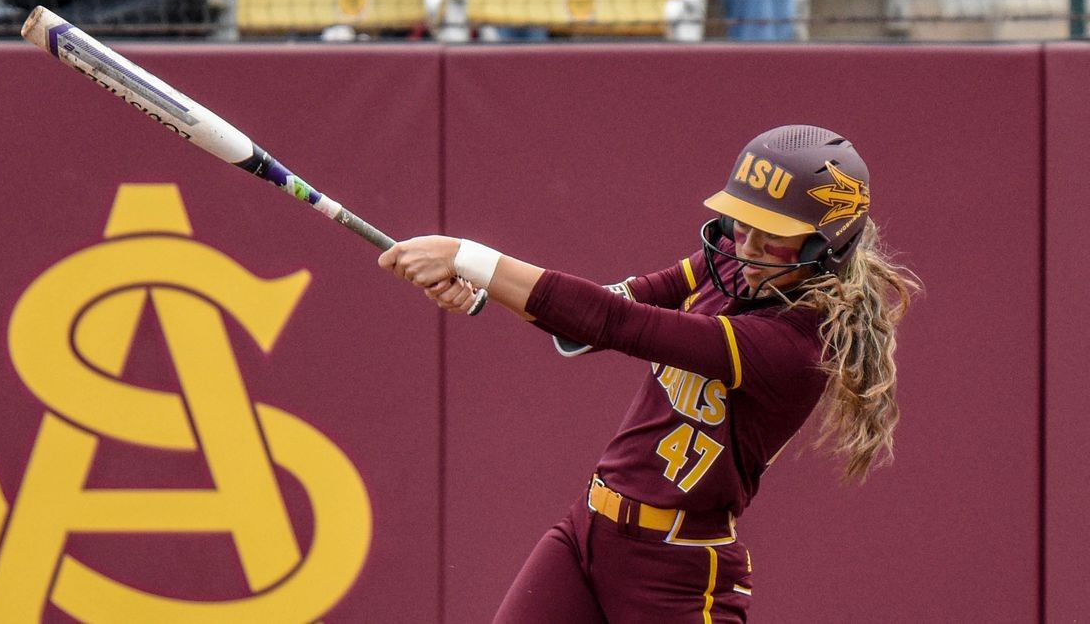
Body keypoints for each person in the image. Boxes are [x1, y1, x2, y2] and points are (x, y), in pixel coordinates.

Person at [378, 125, 919, 622]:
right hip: (589, 530)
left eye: (770, 234)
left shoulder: (794, 344)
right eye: (743, 223)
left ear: (826, 244)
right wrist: (485, 287)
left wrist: (466, 254)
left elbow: (619, 324)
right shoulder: (730, 262)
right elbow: (589, 321)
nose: (746, 246)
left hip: (677, 574)